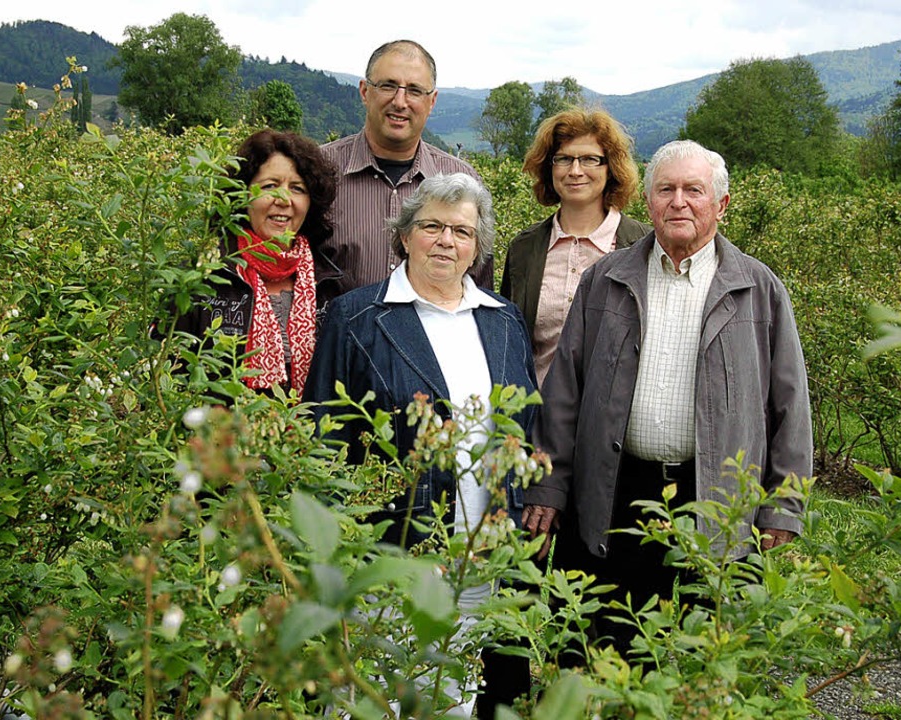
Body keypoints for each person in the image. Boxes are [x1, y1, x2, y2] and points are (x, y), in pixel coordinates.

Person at [522, 140, 812, 657]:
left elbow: (789, 405)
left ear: (720, 205)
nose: (679, 202)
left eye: (693, 191)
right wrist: (548, 485)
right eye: (667, 190)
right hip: (619, 491)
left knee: (708, 655)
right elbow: (564, 392)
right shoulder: (606, 280)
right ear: (649, 202)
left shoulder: (758, 287)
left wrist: (783, 506)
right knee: (609, 648)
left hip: (718, 496)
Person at [303, 173, 536, 716]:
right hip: (390, 552)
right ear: (404, 235)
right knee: (371, 696)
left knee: (451, 698)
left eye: (461, 230)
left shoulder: (502, 321)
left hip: (480, 555)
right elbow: (323, 436)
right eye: (431, 226)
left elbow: (524, 429)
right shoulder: (359, 317)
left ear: (478, 247)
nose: (446, 241)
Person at [318, 40, 492, 308]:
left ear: (432, 101)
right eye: (388, 85)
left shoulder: (462, 180)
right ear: (365, 91)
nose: (400, 102)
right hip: (337, 347)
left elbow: (478, 288)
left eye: (414, 90)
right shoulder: (319, 171)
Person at [172, 129, 338, 393]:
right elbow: (169, 375)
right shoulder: (201, 277)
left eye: (297, 188)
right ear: (242, 195)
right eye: (270, 186)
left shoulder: (331, 285)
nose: (283, 200)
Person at [500, 108, 651, 385]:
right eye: (564, 159)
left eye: (590, 159)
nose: (576, 170)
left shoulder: (645, 247)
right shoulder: (524, 250)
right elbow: (508, 343)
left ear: (611, 167)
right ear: (550, 167)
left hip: (617, 422)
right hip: (538, 419)